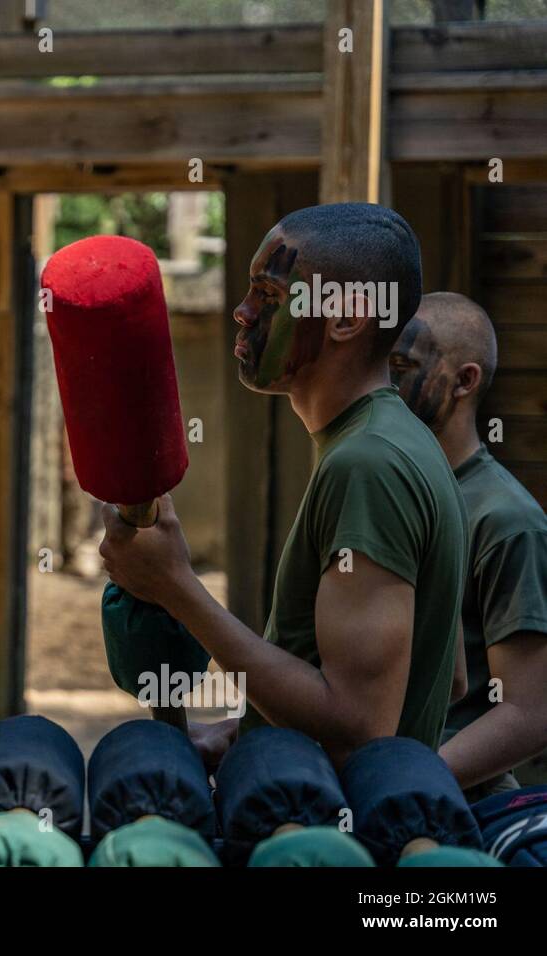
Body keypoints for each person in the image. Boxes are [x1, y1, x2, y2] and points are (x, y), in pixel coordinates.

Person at [98, 203, 467, 769]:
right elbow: (451, 678)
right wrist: (239, 732)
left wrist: (175, 588)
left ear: (345, 318)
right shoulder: (390, 442)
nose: (241, 313)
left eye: (269, 297)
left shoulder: (369, 464)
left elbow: (361, 725)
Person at [390, 292, 547, 799]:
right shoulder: (387, 490)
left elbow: (530, 712)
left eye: (402, 365)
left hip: (455, 811)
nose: (381, 383)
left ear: (465, 381)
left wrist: (407, 783)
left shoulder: (507, 519)